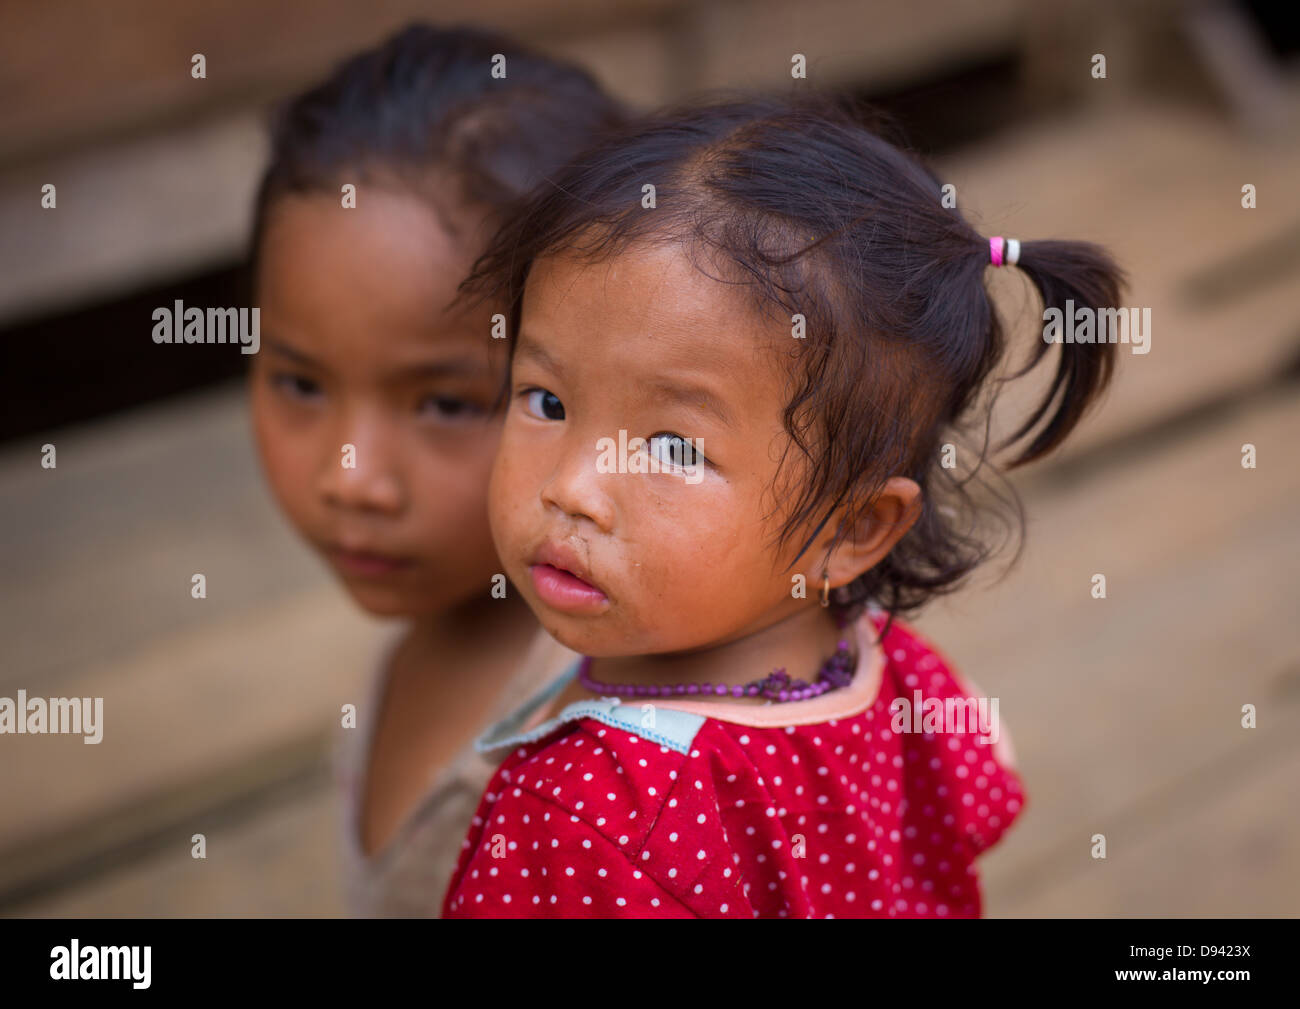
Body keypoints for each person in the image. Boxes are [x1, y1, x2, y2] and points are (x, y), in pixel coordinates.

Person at [440, 92, 1124, 918]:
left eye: (675, 449)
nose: (572, 488)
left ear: (853, 528)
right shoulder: (885, 666)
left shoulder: (579, 814)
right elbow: (987, 787)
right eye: (546, 401)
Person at [245, 23, 624, 916]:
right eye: (299, 381)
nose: (354, 478)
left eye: (448, 403)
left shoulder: (608, 767)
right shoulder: (437, 621)